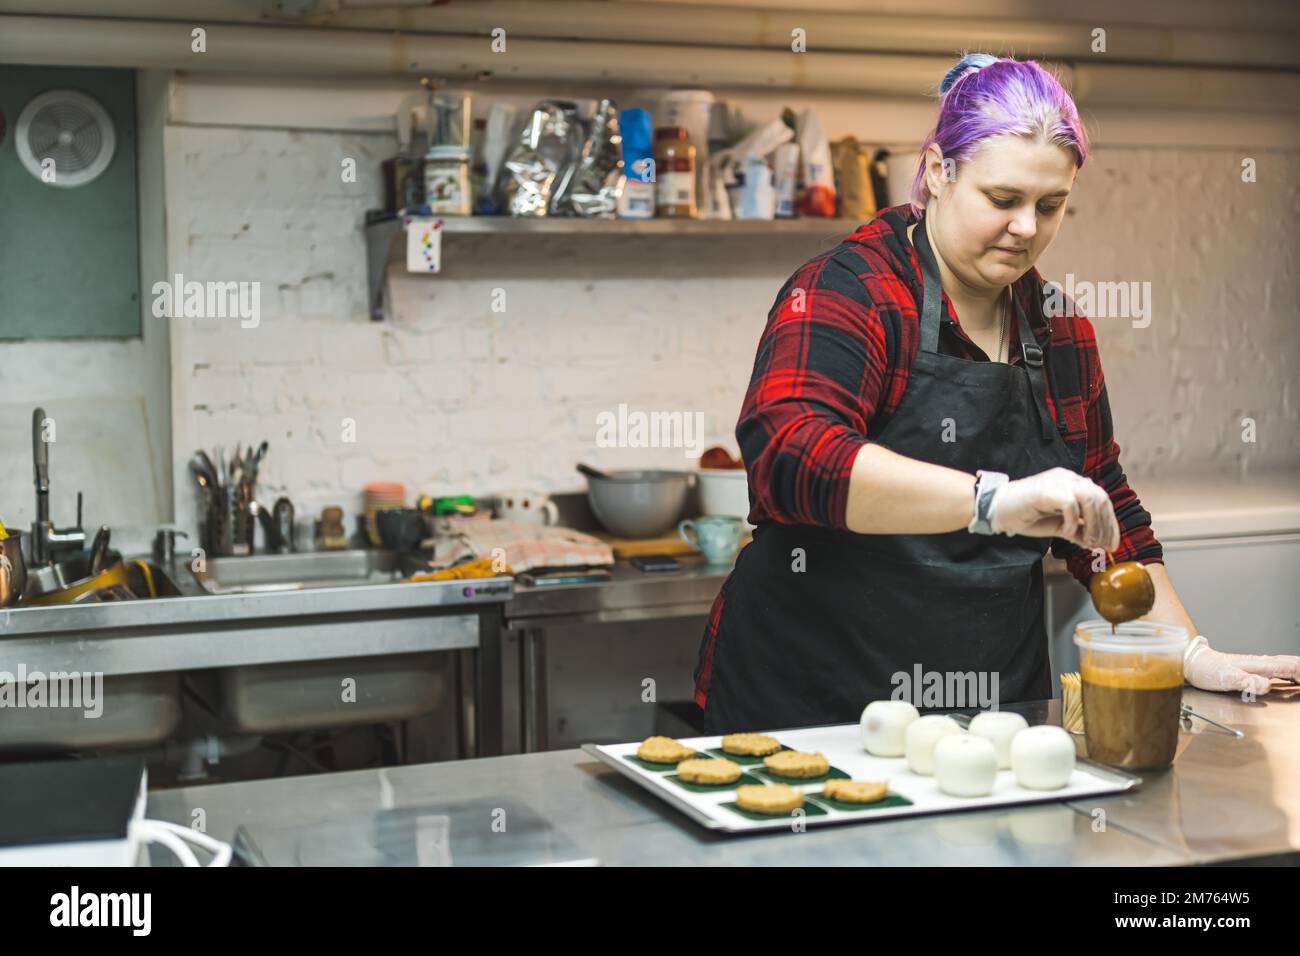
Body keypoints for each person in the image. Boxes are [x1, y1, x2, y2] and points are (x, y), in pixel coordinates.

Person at [694, 53, 1300, 733]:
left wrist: (1187, 651)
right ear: (938, 171)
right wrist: (990, 503)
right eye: (1003, 200)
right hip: (815, 704)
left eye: (1051, 205)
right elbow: (794, 457)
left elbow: (1104, 508)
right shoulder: (852, 290)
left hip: (990, 714)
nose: (1027, 229)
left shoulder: (1059, 328)